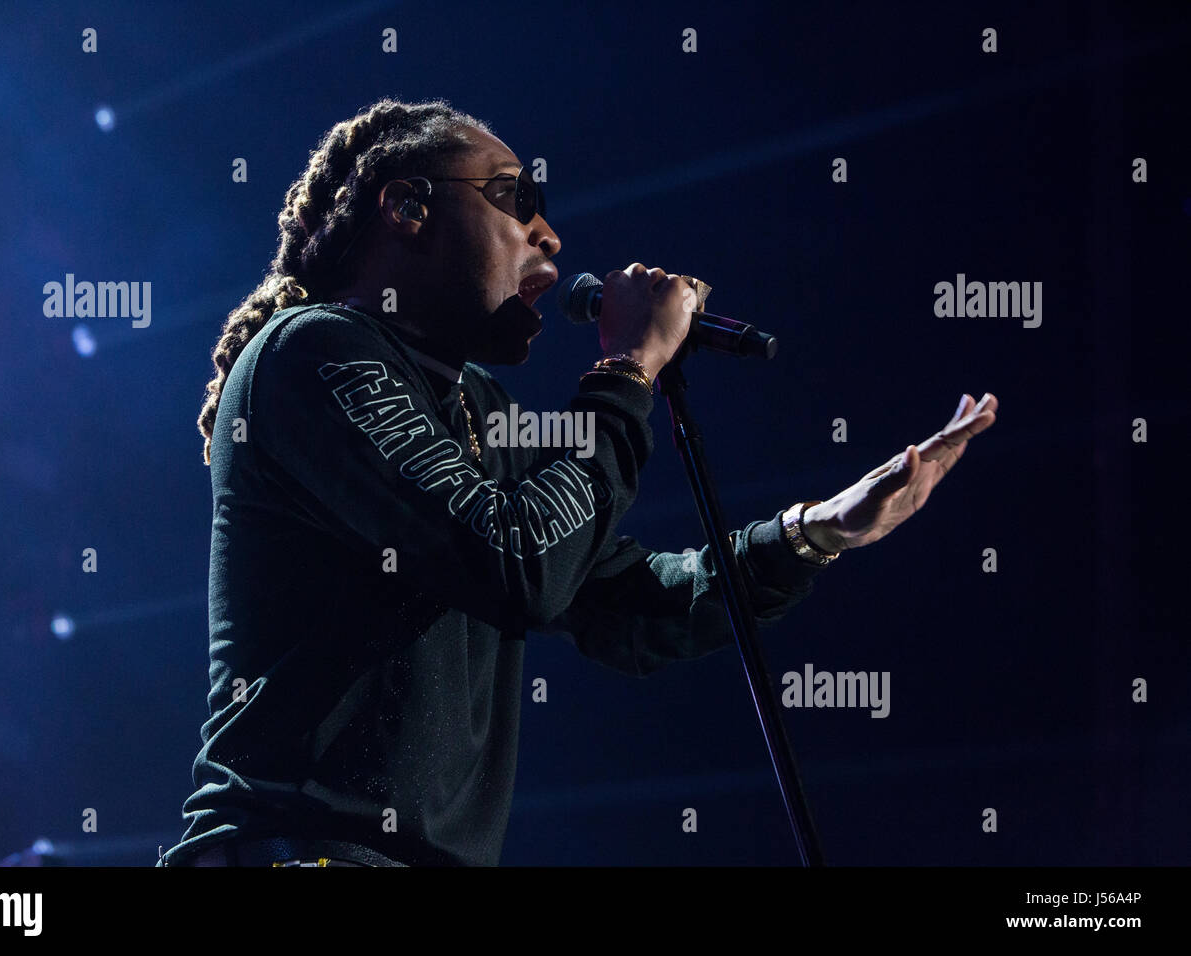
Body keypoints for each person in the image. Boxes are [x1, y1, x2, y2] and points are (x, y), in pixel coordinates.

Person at [159, 98, 998, 868]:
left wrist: (814, 533)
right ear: (408, 207)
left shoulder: (479, 407)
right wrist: (629, 368)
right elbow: (514, 562)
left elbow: (623, 603)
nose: (548, 234)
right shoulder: (313, 351)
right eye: (514, 198)